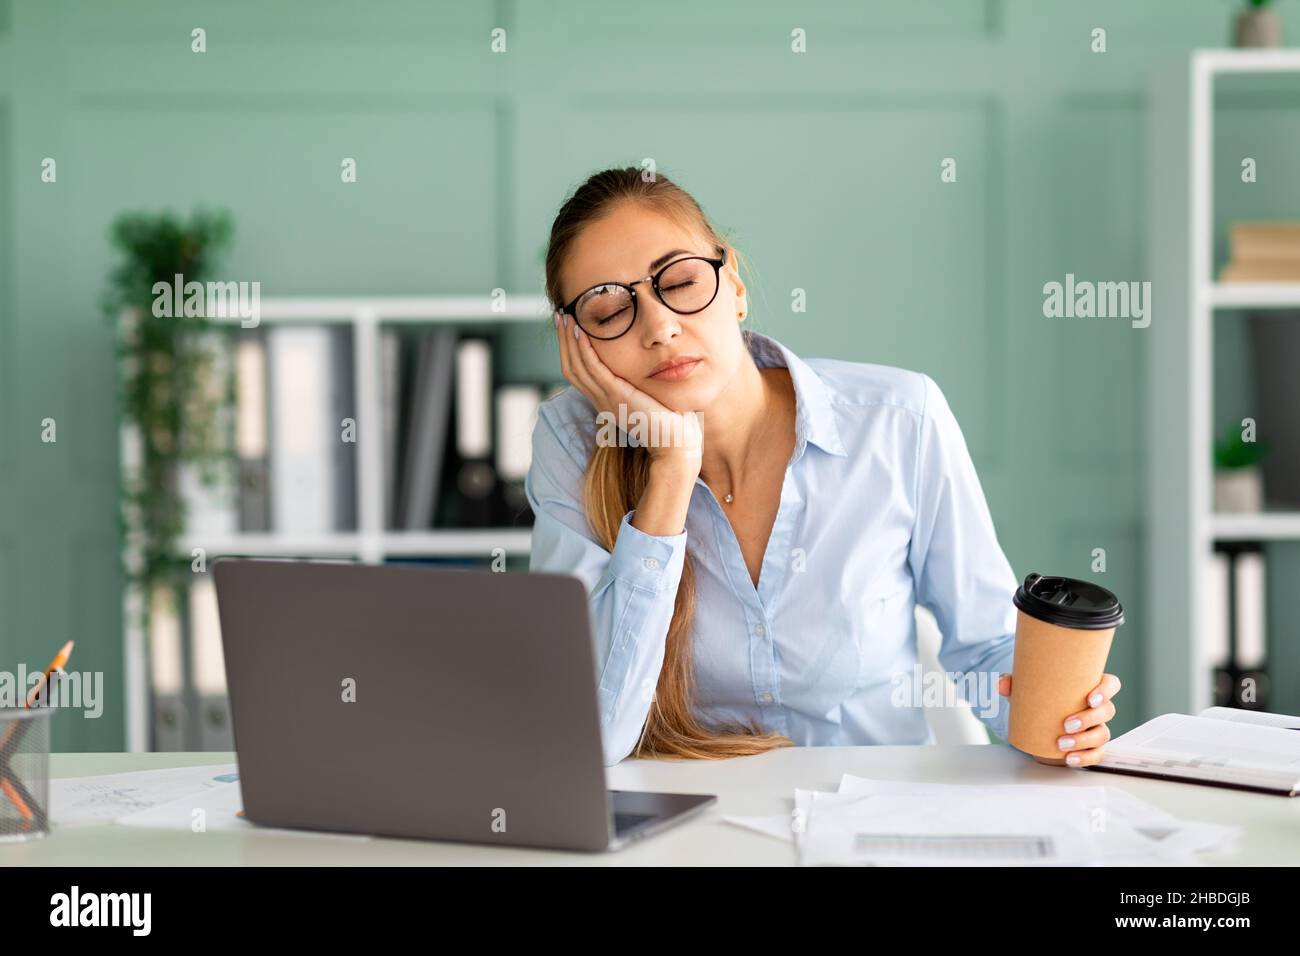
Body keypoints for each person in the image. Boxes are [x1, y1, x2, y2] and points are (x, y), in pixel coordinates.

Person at [525, 165, 1120, 767]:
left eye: (679, 282)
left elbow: (986, 647)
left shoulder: (898, 419)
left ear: (733, 284)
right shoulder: (572, 444)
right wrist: (672, 471)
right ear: (577, 343)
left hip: (874, 827)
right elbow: (592, 738)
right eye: (607, 313)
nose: (660, 328)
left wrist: (1066, 717)